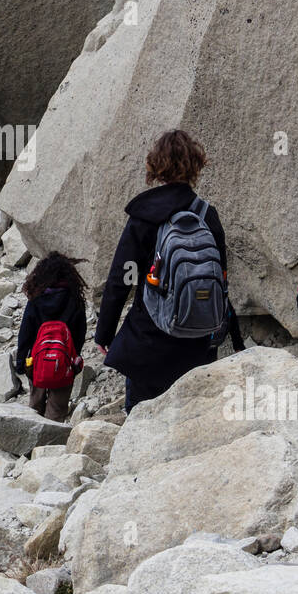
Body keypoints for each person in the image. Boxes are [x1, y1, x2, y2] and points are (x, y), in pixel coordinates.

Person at [95, 129, 245, 413]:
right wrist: (232, 335)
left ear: (155, 167)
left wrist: (105, 332)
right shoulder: (205, 214)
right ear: (196, 165)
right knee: (189, 419)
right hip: (196, 342)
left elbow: (121, 278)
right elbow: (220, 279)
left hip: (149, 340)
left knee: (142, 418)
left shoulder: (144, 215)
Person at [15, 252, 88, 423]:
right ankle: (50, 447)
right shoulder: (75, 300)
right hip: (63, 363)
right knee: (57, 411)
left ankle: (30, 446)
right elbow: (80, 334)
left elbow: (25, 333)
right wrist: (74, 359)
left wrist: (20, 363)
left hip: (36, 362)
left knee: (34, 408)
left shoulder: (36, 300)